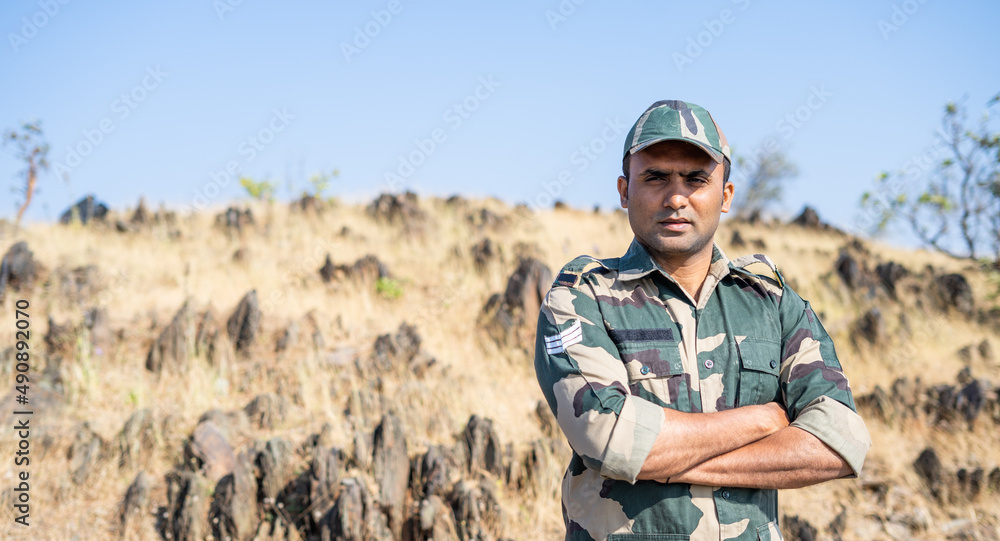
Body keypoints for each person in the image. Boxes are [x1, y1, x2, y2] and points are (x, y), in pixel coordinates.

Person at [533, 100, 871, 540]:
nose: (676, 197)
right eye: (655, 177)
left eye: (697, 179)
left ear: (725, 196)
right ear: (623, 191)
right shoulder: (583, 296)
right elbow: (607, 437)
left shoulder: (770, 300)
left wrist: (664, 462)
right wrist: (763, 420)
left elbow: (840, 441)